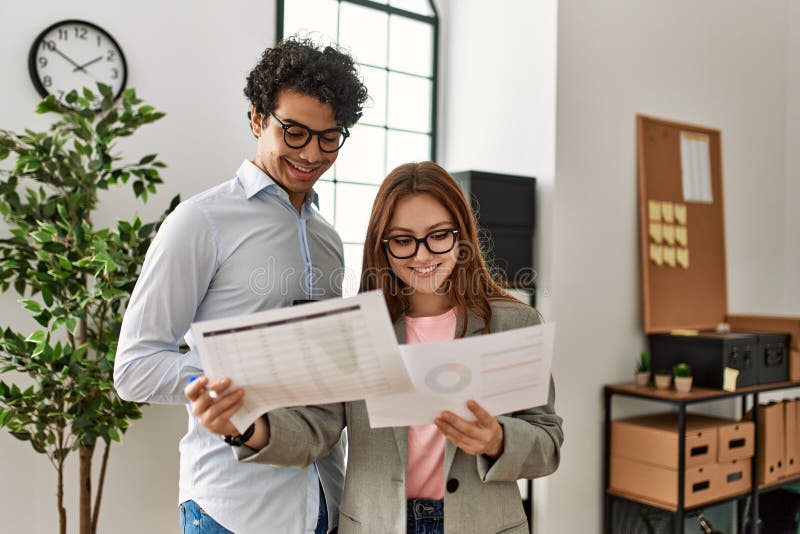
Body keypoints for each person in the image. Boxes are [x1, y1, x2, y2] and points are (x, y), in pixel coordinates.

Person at [187, 161, 563, 533]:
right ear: (382, 246)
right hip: (376, 523)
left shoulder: (514, 324)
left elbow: (548, 440)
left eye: (438, 235)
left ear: (461, 235)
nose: (421, 255)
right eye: (402, 240)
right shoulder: (359, 331)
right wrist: (245, 425)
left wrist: (498, 439)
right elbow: (316, 429)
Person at [114, 36, 368, 534]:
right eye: (294, 132)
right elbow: (135, 368)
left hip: (328, 501)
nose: (312, 153)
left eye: (329, 137)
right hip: (234, 512)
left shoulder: (329, 240)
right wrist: (241, 371)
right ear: (257, 119)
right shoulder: (199, 222)